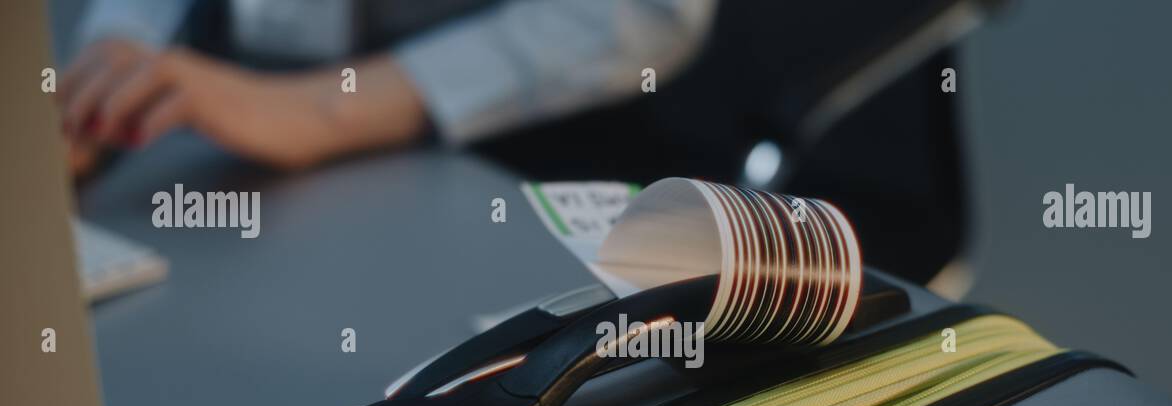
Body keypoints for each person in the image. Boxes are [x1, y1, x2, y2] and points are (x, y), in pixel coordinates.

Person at [59, 0, 717, 176]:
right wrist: (122, 48)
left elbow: (651, 10)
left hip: (524, 141)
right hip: (221, 110)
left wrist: (324, 109)